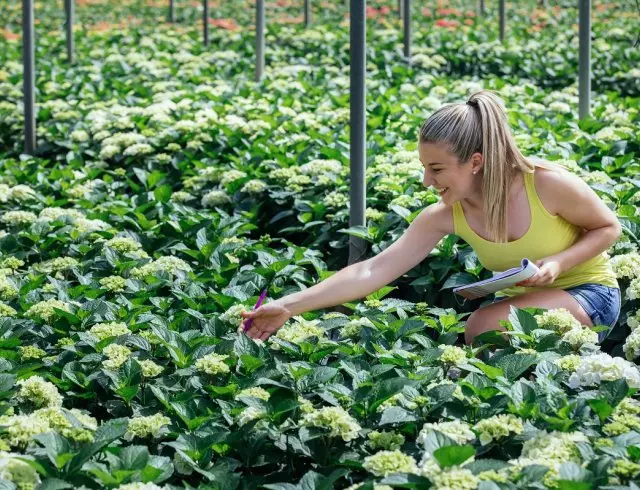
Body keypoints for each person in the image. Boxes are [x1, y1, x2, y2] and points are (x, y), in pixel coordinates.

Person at [239, 90, 621, 345]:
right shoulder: (444, 215)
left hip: (592, 295)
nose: (426, 181)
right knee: (485, 332)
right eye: (424, 168)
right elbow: (371, 271)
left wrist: (559, 262)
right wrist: (288, 305)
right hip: (523, 305)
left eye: (436, 169)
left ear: (476, 162)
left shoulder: (545, 184)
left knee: (482, 326)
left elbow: (609, 227)